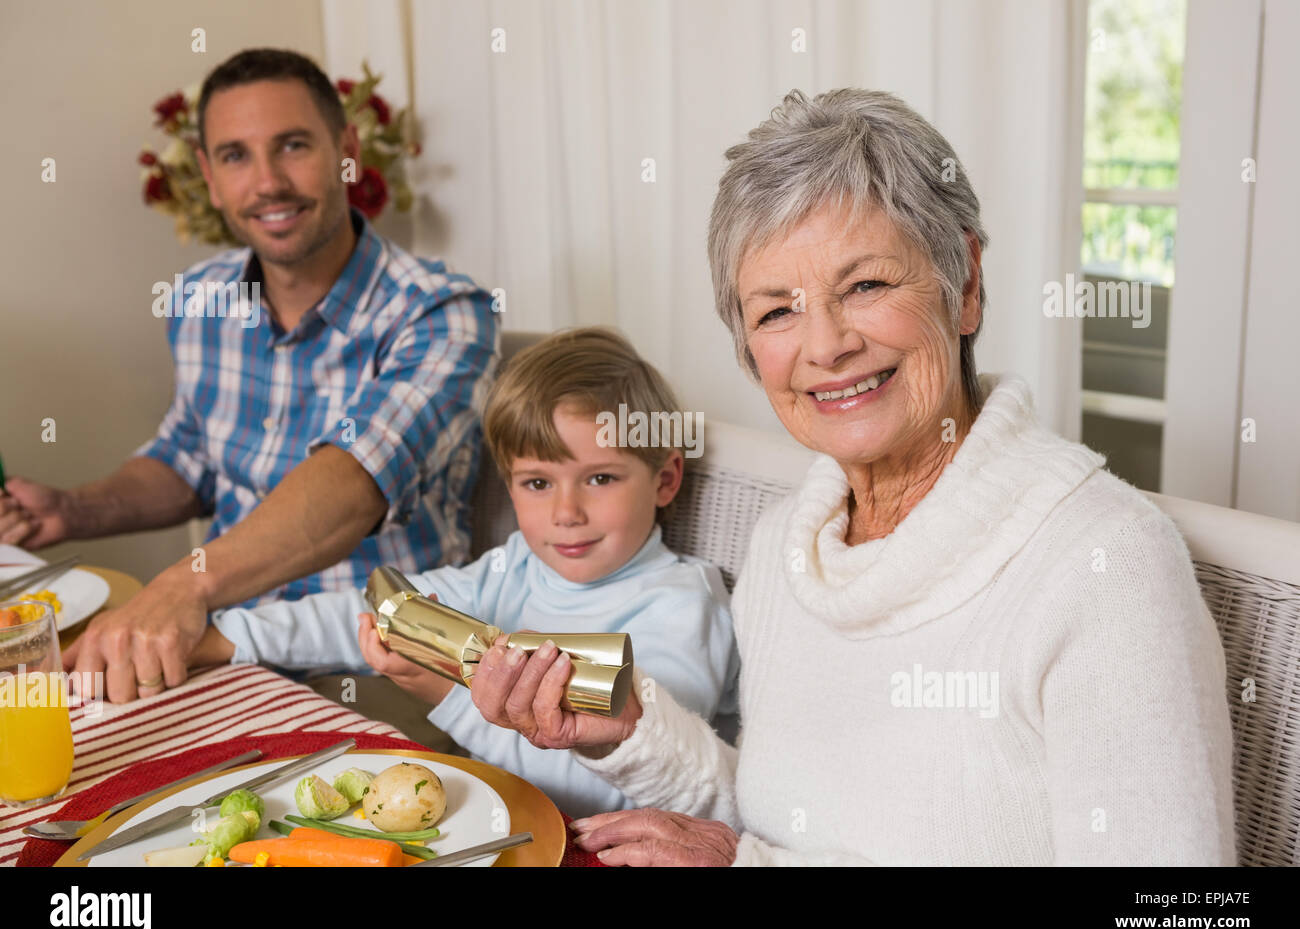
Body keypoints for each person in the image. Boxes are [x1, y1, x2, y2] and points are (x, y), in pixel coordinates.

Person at [461, 89, 1238, 865]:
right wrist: (626, 729)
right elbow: (788, 825)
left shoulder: (1106, 567)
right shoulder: (786, 549)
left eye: (865, 286)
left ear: (963, 284)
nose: (826, 346)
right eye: (776, 312)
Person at [0, 49, 497, 704]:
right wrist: (74, 509)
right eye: (236, 156)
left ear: (347, 149)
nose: (267, 182)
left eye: (293, 146)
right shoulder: (201, 297)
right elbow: (188, 460)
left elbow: (355, 481)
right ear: (208, 176)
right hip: (221, 650)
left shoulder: (444, 311)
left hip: (377, 667)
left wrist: (185, 585)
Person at [188, 327, 738, 818]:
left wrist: (447, 695)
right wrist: (223, 639)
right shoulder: (514, 564)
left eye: (600, 479)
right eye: (538, 483)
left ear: (665, 481)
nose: (566, 514)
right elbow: (365, 615)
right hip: (488, 818)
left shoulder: (683, 604)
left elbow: (621, 790)